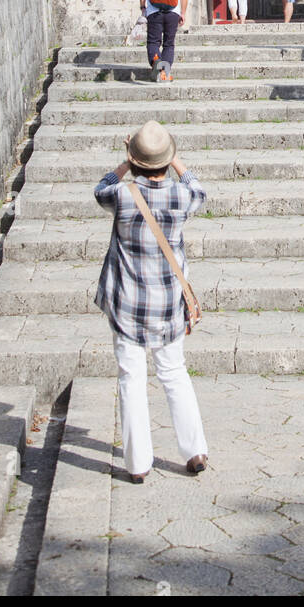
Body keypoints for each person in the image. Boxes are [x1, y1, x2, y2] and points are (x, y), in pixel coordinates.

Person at [94, 121, 208, 480]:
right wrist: (176, 162)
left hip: (128, 302)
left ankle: (138, 464)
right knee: (174, 373)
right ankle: (194, 451)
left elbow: (100, 189)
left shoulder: (123, 197)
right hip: (168, 303)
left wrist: (125, 163)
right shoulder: (181, 197)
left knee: (131, 379)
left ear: (136, 160)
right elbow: (198, 189)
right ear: (167, 159)